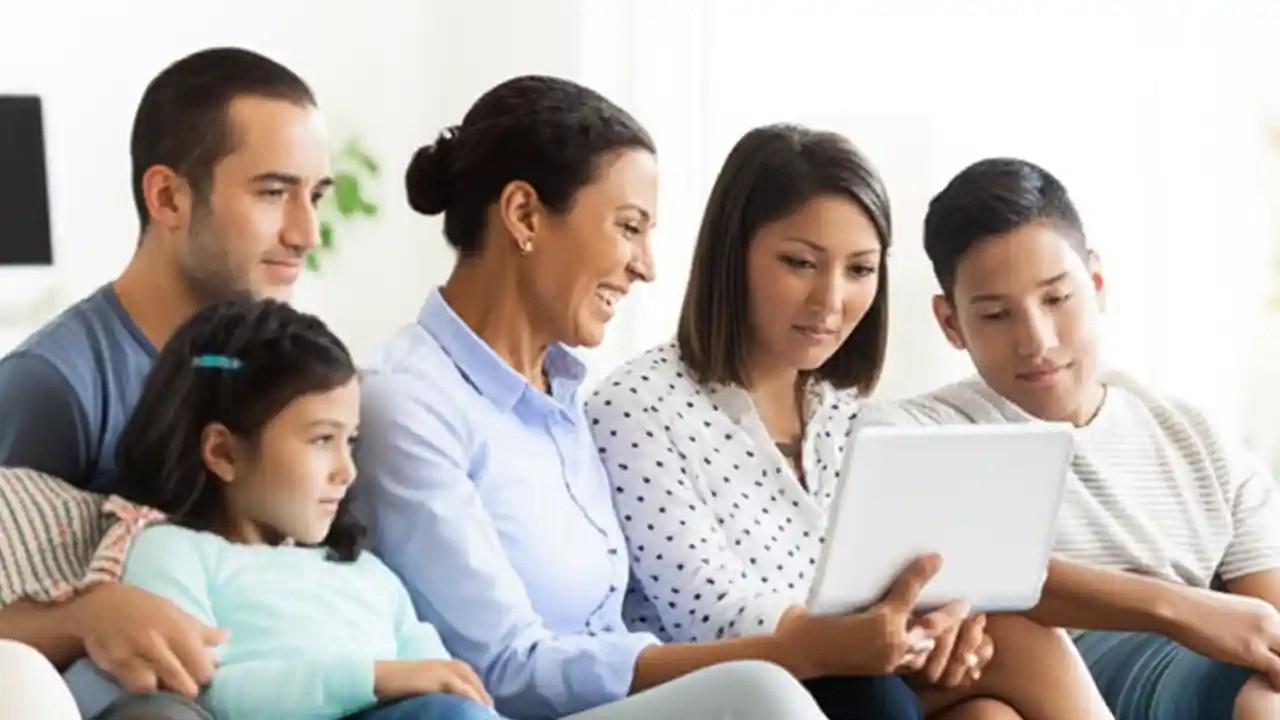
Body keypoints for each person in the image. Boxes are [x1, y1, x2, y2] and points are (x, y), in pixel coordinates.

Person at [350, 75, 896, 720]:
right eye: (629, 228)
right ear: (524, 215)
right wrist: (789, 651)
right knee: (767, 694)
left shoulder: (561, 400)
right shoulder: (408, 404)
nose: (647, 265)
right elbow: (505, 670)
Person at [586, 124, 1112, 720]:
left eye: (860, 270)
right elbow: (712, 615)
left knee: (987, 708)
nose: (830, 301)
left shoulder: (846, 416)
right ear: (732, 253)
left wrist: (941, 628)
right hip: (736, 690)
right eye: (800, 263)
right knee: (997, 654)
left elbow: (892, 583)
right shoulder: (636, 406)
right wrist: (869, 637)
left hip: (853, 670)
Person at [853, 157, 1280, 720]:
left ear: (1096, 283)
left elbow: (1262, 630)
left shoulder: (1200, 443)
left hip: (1188, 685)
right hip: (1020, 684)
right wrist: (1175, 606)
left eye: (1057, 299)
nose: (1038, 341)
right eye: (997, 315)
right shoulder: (910, 437)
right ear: (951, 323)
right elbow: (948, 566)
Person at [0, 47, 332, 716]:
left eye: (316, 195)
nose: (306, 233)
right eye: (273, 192)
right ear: (168, 197)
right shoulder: (52, 385)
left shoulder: (284, 368)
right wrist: (83, 615)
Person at [113, 296, 502, 720]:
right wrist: (374, 679)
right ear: (224, 453)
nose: (347, 471)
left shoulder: (368, 575)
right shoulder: (174, 553)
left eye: (350, 441)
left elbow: (447, 683)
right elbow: (203, 693)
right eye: (322, 439)